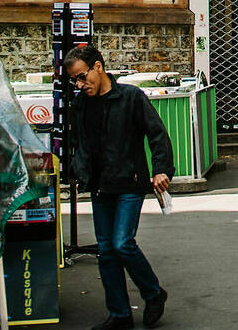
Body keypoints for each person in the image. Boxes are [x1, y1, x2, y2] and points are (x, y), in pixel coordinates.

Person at [65, 44, 173, 330]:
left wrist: (162, 169)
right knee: (106, 250)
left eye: (82, 76)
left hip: (130, 182)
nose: (79, 84)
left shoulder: (130, 97)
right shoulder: (81, 104)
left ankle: (153, 293)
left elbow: (157, 134)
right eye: (74, 80)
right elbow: (80, 144)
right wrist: (78, 171)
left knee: (122, 243)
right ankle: (120, 314)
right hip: (100, 186)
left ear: (98, 67)